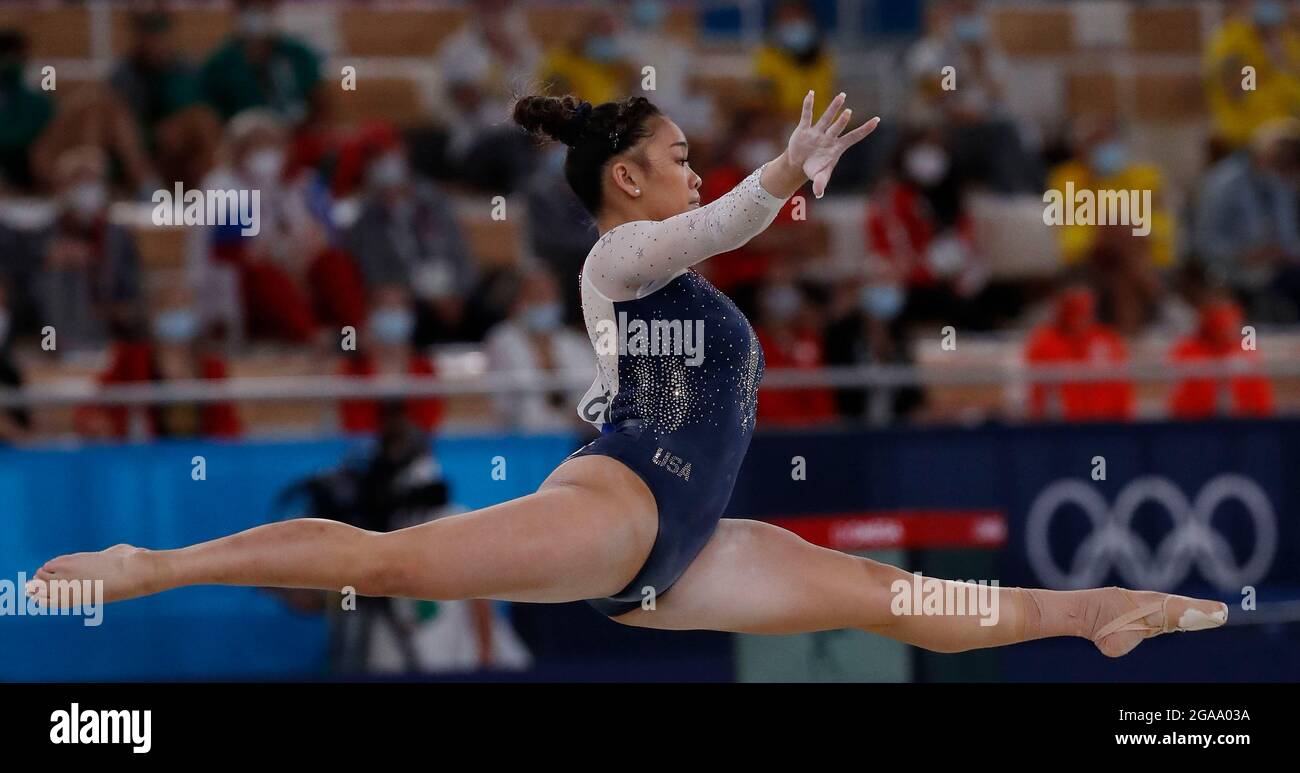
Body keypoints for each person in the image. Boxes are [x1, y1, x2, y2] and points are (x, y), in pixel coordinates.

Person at [28, 91, 1227, 659]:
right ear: (627, 181)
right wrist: (782, 174)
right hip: (620, 506)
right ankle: (151, 566)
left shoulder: (676, 274)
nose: (696, 174)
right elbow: (709, 236)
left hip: (685, 551)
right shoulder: (620, 257)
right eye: (680, 157)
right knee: (387, 560)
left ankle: (1089, 615)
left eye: (700, 159)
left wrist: (764, 189)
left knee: (888, 593)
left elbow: (711, 249)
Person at [1024, 285, 1136, 423]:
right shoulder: (1044, 342)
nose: (1081, 320)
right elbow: (1036, 394)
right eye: (1074, 312)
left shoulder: (1106, 340)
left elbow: (1122, 390)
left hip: (1106, 426)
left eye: (1084, 312)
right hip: (1060, 429)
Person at [1167, 296, 1274, 419]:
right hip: (1194, 424)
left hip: (1245, 424)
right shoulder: (1187, 350)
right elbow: (1179, 404)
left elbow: (1262, 406)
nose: (1226, 326)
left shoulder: (1246, 351)